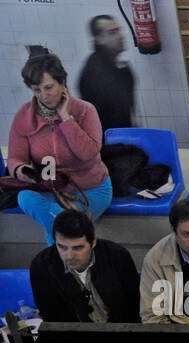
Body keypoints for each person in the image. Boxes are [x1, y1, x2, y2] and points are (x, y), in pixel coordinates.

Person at [6, 53, 113, 244]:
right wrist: (21, 170)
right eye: (36, 89)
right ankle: (77, 254)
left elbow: (88, 153)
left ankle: (60, 269)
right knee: (25, 198)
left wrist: (66, 119)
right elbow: (15, 158)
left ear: (62, 82)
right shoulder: (23, 116)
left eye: (49, 87)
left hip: (90, 189)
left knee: (57, 232)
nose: (43, 95)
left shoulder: (85, 110)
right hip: (49, 189)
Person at [28, 208, 138, 323]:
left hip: (121, 331)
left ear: (93, 242)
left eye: (78, 248)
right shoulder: (41, 266)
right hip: (71, 335)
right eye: (62, 247)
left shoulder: (117, 257)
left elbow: (134, 306)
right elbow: (52, 317)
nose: (69, 255)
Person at [77, 15, 135, 131]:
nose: (121, 36)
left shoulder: (117, 64)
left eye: (119, 30)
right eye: (113, 32)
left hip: (123, 135)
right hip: (110, 141)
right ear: (99, 39)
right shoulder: (95, 74)